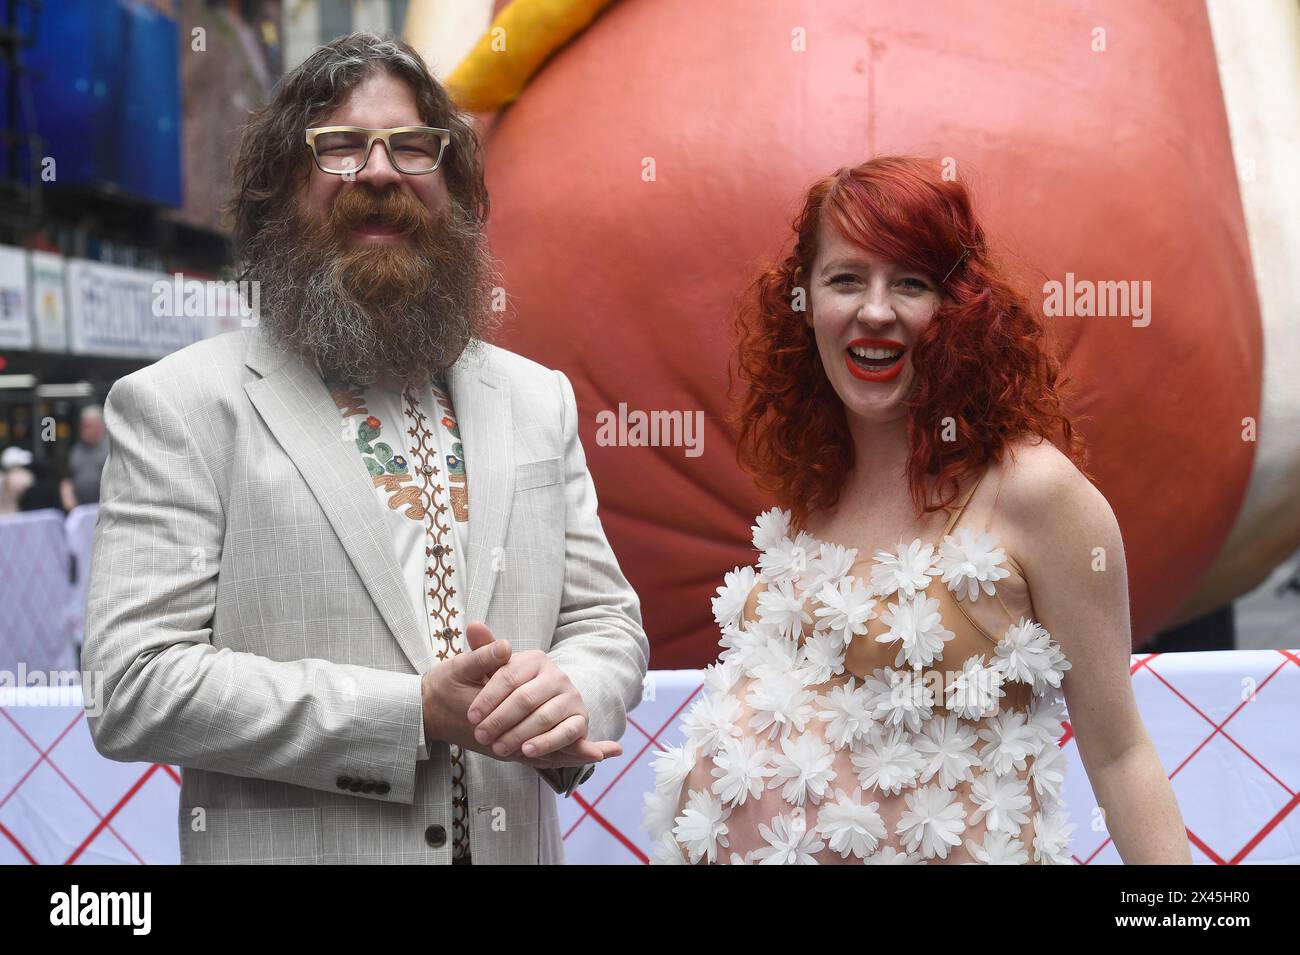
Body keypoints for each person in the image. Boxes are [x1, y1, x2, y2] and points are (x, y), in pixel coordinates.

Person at [82, 32, 649, 865]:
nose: (379, 171)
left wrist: (572, 697)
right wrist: (412, 711)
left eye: (413, 147)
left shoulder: (538, 398)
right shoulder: (181, 405)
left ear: (454, 191)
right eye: (339, 147)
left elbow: (606, 620)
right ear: (278, 195)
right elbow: (131, 686)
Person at [645, 156, 1191, 864]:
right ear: (804, 303)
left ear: (959, 306)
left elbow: (1120, 754)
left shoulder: (1035, 492)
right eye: (846, 279)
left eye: (910, 282)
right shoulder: (813, 486)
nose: (876, 309)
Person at [68, 404, 109, 505]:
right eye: (83, 426)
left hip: (105, 507)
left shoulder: (111, 450)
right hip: (81, 508)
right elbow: (69, 479)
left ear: (100, 427)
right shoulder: (76, 450)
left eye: (89, 426)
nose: (85, 430)